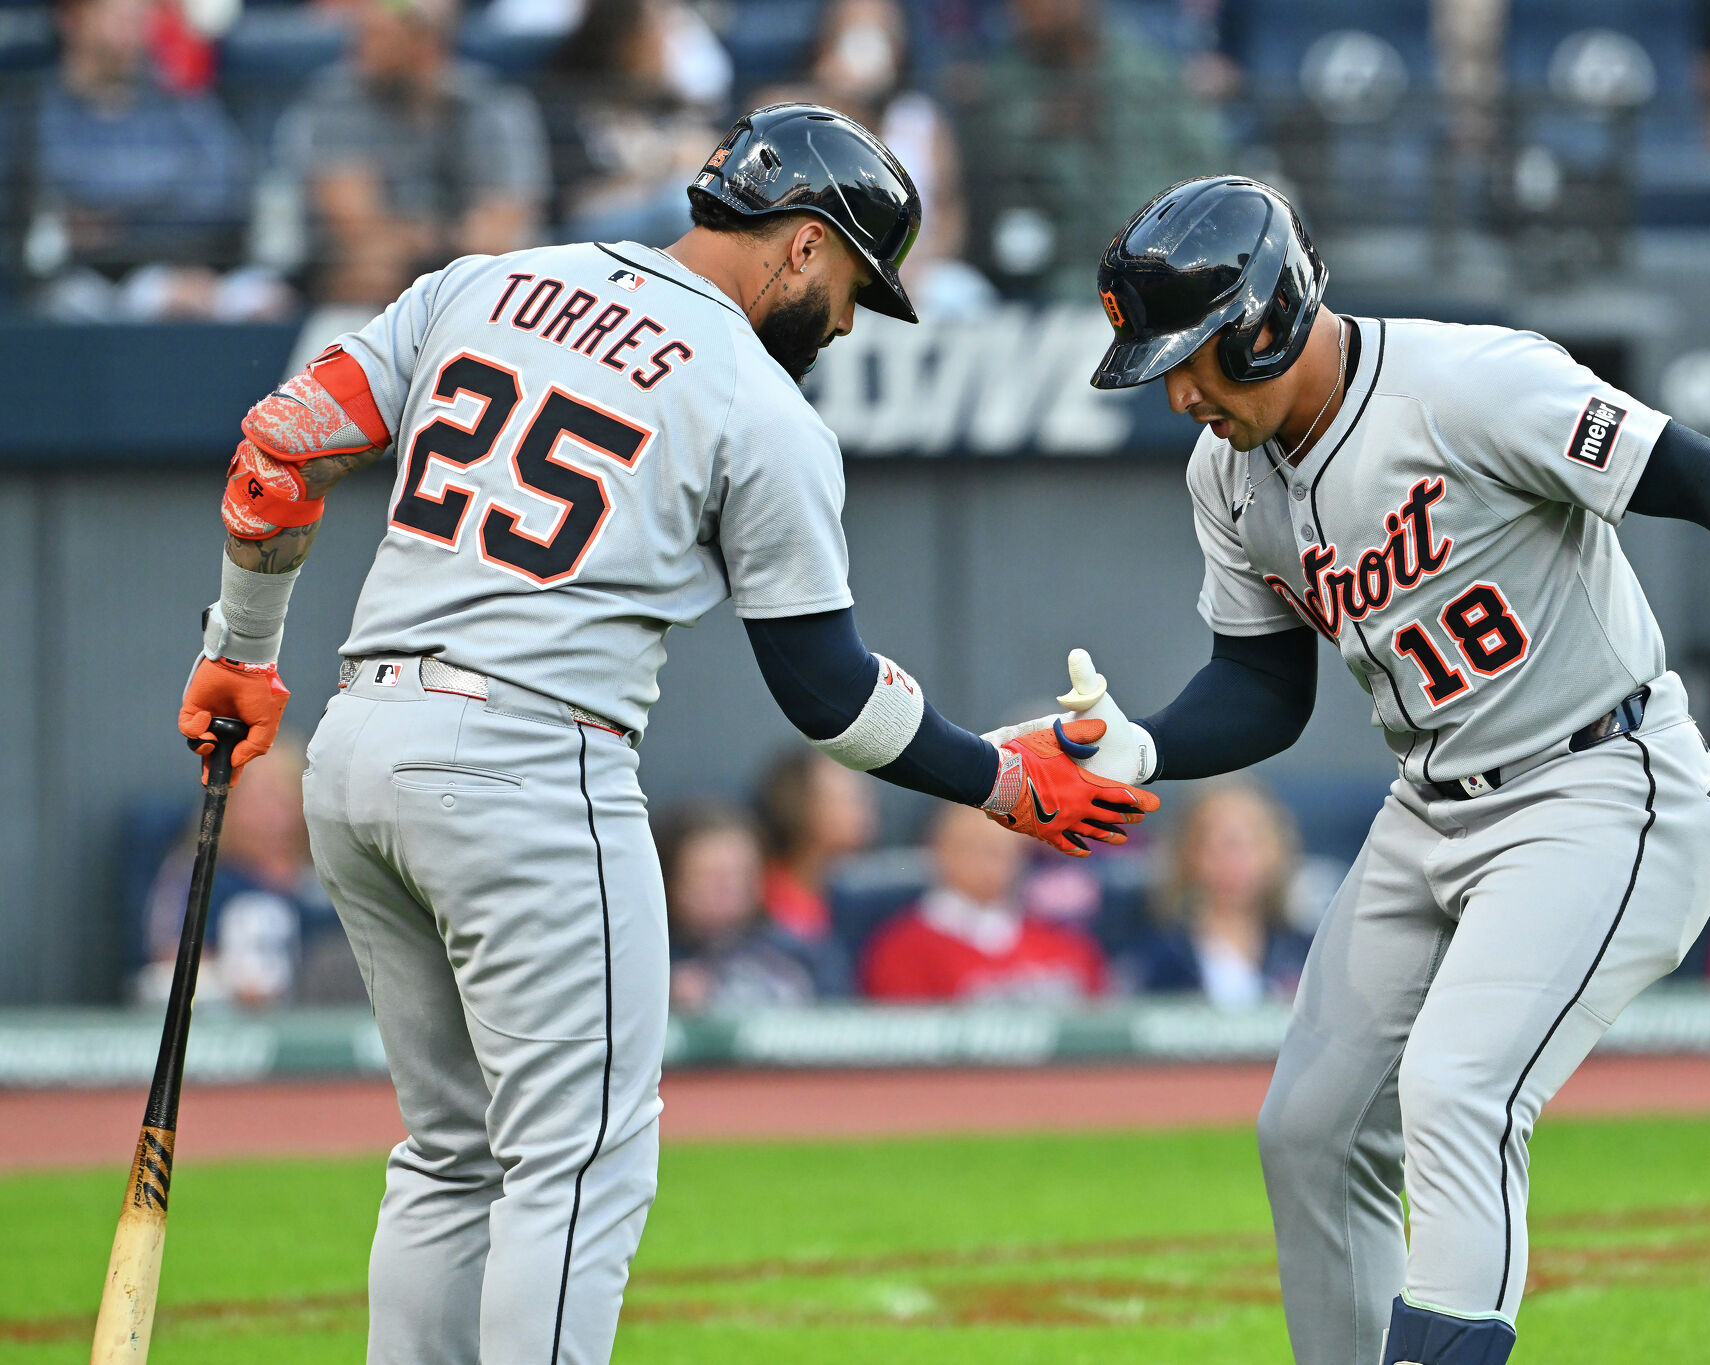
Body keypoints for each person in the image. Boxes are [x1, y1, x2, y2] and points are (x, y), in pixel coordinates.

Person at [172, 103, 1155, 1364]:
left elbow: (279, 456)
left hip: (360, 749)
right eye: (854, 286)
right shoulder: (755, 399)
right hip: (525, 766)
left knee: (451, 1154)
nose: (848, 321)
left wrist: (241, 652)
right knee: (578, 1165)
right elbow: (827, 696)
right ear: (802, 243)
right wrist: (998, 779)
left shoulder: (484, 281)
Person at [1015, 175, 1710, 1364]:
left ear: (1267, 317)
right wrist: (1145, 746)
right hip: (1429, 804)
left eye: (1191, 357)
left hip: (1598, 781)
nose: (1177, 394)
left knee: (1457, 1091)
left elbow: (1681, 471)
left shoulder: (1464, 384)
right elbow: (1263, 687)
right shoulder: (1224, 476)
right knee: (1309, 1130)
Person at [5, 0, 281, 320]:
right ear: (71, 22)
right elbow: (58, 190)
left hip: (191, 268)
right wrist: (158, 202)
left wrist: (124, 222)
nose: (131, 31)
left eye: (137, 17)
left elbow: (226, 188)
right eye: (116, 17)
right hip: (86, 282)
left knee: (265, 298)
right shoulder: (33, 111)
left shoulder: (178, 100)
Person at [952, 0, 1230, 301]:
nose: (1027, 12)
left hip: (1149, 261)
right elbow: (986, 181)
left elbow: (1207, 168)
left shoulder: (1144, 72)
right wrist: (1040, 123)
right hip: (1050, 274)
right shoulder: (1003, 83)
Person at [284, 0, 548, 305]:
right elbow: (356, 226)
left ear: (425, 43)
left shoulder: (492, 103)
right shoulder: (335, 101)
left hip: (459, 266)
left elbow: (500, 228)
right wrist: (444, 238)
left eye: (377, 36)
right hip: (368, 268)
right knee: (371, 269)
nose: (358, 49)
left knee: (499, 264)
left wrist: (426, 240)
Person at [759, 0, 993, 317]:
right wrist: (834, 94)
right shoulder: (792, 112)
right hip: (814, 273)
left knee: (966, 294)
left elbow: (951, 217)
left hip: (912, 276)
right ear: (827, 43)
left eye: (881, 34)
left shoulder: (922, 120)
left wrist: (909, 267)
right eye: (856, 35)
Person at [136, 734, 347, 1008]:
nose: (270, 816)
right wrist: (230, 979)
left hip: (319, 1014)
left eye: (282, 799)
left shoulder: (330, 873)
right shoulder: (197, 873)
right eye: (256, 800)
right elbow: (170, 955)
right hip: (223, 1016)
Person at [861, 802, 1109, 1002]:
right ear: (941, 851)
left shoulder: (1063, 943)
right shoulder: (903, 950)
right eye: (979, 847)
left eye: (1004, 849)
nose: (995, 862)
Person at [536, 0, 728, 245]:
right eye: (653, 31)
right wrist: (661, 166)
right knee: (683, 209)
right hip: (590, 234)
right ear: (622, 41)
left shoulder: (668, 104)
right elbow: (570, 205)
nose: (665, 45)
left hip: (663, 221)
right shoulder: (569, 109)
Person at [1120, 780, 1311, 1007]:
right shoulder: (1152, 958)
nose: (1232, 859)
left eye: (1248, 841)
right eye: (1214, 843)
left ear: (1277, 850)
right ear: (1186, 853)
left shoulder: (1305, 954)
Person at [658, 801, 846, 1012]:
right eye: (711, 876)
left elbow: (842, 1018)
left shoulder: (803, 954)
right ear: (673, 882)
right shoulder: (652, 963)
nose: (728, 888)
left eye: (740, 874)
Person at [754, 747, 879, 942]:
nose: (866, 809)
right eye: (848, 798)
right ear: (800, 806)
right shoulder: (760, 900)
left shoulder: (848, 894)